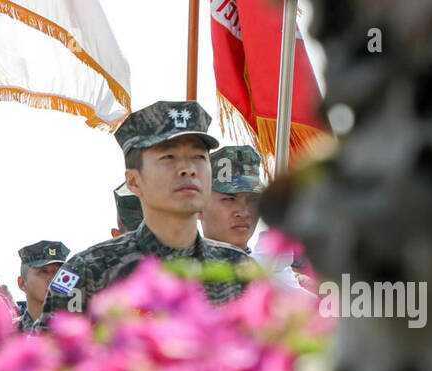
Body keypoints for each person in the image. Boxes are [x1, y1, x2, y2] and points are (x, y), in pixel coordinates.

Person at [41, 100, 252, 323]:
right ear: (133, 181)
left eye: (198, 157)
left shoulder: (237, 268)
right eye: (168, 157)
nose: (188, 170)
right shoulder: (90, 269)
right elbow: (51, 353)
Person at [203, 145, 307, 293]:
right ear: (199, 205)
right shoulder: (181, 271)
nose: (244, 212)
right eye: (230, 199)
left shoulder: (275, 275)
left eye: (252, 200)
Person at [14, 240, 70, 333]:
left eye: (59, 272)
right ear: (23, 283)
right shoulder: (6, 335)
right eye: (43, 272)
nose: (54, 279)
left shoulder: (76, 333)